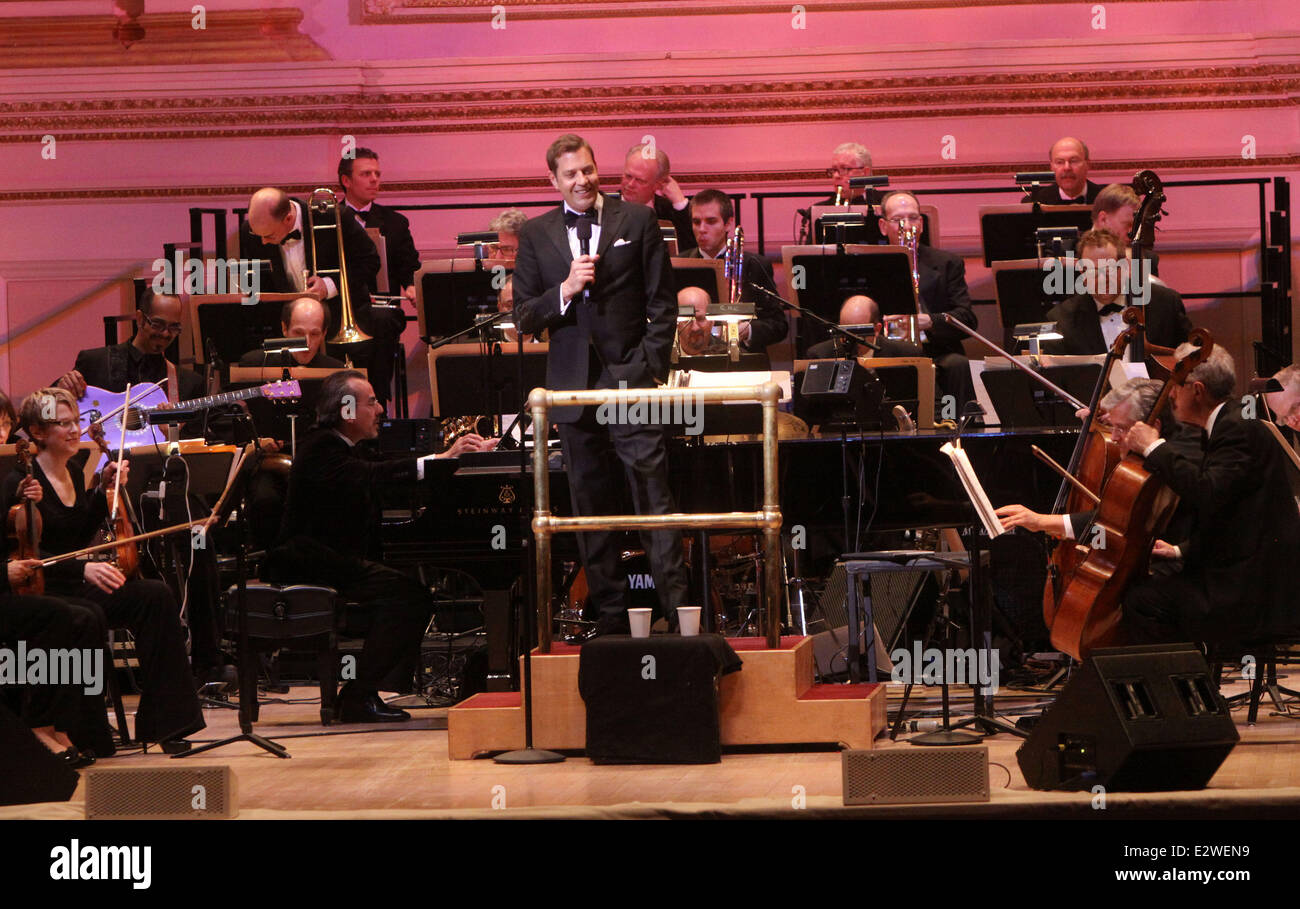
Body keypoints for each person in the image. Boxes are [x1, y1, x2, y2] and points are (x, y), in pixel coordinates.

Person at [513, 133, 691, 636]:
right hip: (572, 391)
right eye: (570, 174)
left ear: (597, 170)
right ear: (554, 181)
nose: (582, 180)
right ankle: (612, 622)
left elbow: (662, 303)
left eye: (587, 170)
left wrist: (647, 367)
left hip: (631, 385)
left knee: (654, 502)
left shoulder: (635, 220)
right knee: (590, 508)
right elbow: (524, 315)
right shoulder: (535, 234)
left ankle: (680, 617)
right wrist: (565, 290)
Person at [267, 370, 496, 722]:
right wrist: (442, 460)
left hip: (331, 557)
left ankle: (363, 692)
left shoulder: (346, 446)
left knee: (407, 592)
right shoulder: (320, 447)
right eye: (371, 402)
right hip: (308, 560)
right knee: (409, 597)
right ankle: (359, 696)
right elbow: (374, 477)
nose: (380, 410)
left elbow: (383, 478)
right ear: (345, 409)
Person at [3, 388, 204, 747]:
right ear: (37, 432)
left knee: (154, 595)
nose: (74, 430)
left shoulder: (75, 473)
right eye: (62, 424)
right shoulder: (21, 482)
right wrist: (81, 570)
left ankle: (168, 724)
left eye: (76, 421)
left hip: (73, 579)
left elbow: (76, 535)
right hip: (43, 586)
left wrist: (102, 494)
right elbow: (28, 553)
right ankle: (85, 733)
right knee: (88, 613)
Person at [1118, 345, 1300, 644]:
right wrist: (1180, 550)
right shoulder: (1229, 422)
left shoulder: (1236, 428)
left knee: (1142, 601)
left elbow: (1208, 492)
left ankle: (1183, 688)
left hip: (1252, 589)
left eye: (1177, 385)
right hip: (1248, 573)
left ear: (1197, 390)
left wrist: (1153, 447)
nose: (1172, 394)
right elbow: (1232, 515)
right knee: (1156, 586)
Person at [239, 187, 403, 409]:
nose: (264, 243)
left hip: (339, 315)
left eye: (269, 236)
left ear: (288, 218)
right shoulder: (253, 232)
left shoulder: (334, 215)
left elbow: (369, 261)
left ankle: (368, 419)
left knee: (376, 341)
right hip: (289, 325)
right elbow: (259, 283)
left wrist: (328, 285)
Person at [877, 190, 978, 410]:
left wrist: (929, 321)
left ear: (921, 224)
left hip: (936, 350)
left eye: (912, 218)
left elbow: (967, 318)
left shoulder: (947, 263)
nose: (906, 225)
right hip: (888, 350)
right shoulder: (868, 263)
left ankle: (961, 435)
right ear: (883, 227)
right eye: (897, 220)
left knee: (958, 364)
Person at [1040, 229, 1190, 358]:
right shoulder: (1062, 320)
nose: (1102, 279)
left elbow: (1192, 358)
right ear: (1082, 271)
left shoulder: (1166, 303)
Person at [680, 189, 787, 355]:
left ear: (728, 223)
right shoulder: (680, 264)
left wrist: (748, 330)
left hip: (742, 360)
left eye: (710, 221)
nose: (702, 229)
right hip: (690, 358)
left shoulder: (754, 264)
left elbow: (778, 325)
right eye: (696, 222)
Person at [55, 290, 204, 404]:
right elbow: (40, 412)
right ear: (140, 319)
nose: (166, 334)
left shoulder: (188, 384)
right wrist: (60, 392)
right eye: (158, 324)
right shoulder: (94, 363)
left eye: (173, 327)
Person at [338, 147, 422, 303]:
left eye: (377, 174)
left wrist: (411, 285)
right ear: (346, 181)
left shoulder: (396, 222)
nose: (374, 179)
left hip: (383, 312)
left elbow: (409, 267)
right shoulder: (327, 220)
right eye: (365, 174)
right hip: (340, 306)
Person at [620, 141, 695, 253]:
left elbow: (691, 252)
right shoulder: (605, 206)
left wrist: (680, 204)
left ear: (658, 184)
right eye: (628, 176)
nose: (630, 184)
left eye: (640, 180)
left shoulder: (669, 212)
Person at [238, 296, 346, 369]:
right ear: (284, 328)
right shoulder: (252, 364)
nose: (307, 343)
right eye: (298, 333)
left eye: (314, 334)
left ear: (324, 333)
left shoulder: (336, 371)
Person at [805, 295, 924, 359]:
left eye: (857, 333)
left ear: (877, 329)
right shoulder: (819, 356)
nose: (849, 340)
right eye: (844, 332)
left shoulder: (907, 355)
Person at [1024, 137, 1103, 205]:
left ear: (1087, 164)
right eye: (1060, 162)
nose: (1067, 168)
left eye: (1074, 161)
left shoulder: (1107, 200)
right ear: (1051, 167)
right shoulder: (1033, 202)